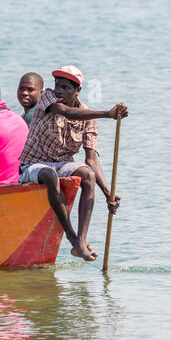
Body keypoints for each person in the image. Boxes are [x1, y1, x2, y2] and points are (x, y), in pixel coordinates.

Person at [18, 66, 128, 262]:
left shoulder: (88, 116)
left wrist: (108, 194)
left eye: (65, 87)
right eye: (57, 85)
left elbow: (91, 159)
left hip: (63, 164)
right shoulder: (48, 98)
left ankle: (81, 243)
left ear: (77, 91)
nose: (59, 90)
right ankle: (72, 237)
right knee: (50, 175)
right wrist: (108, 114)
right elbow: (66, 113)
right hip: (32, 165)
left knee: (88, 174)